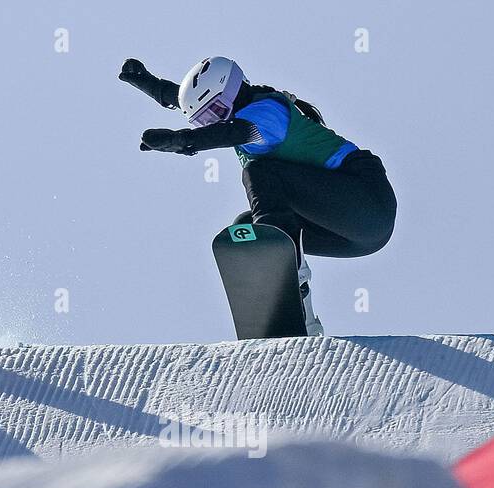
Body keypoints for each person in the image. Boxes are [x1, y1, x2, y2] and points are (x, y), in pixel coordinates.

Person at [120, 56, 396, 336]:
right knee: (245, 228)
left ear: (231, 93)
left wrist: (180, 141)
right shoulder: (238, 110)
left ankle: (276, 248)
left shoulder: (266, 113)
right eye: (203, 120)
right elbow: (178, 99)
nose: (212, 122)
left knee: (260, 174)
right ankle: (302, 320)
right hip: (353, 237)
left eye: (214, 113)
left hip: (366, 201)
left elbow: (229, 132)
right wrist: (146, 81)